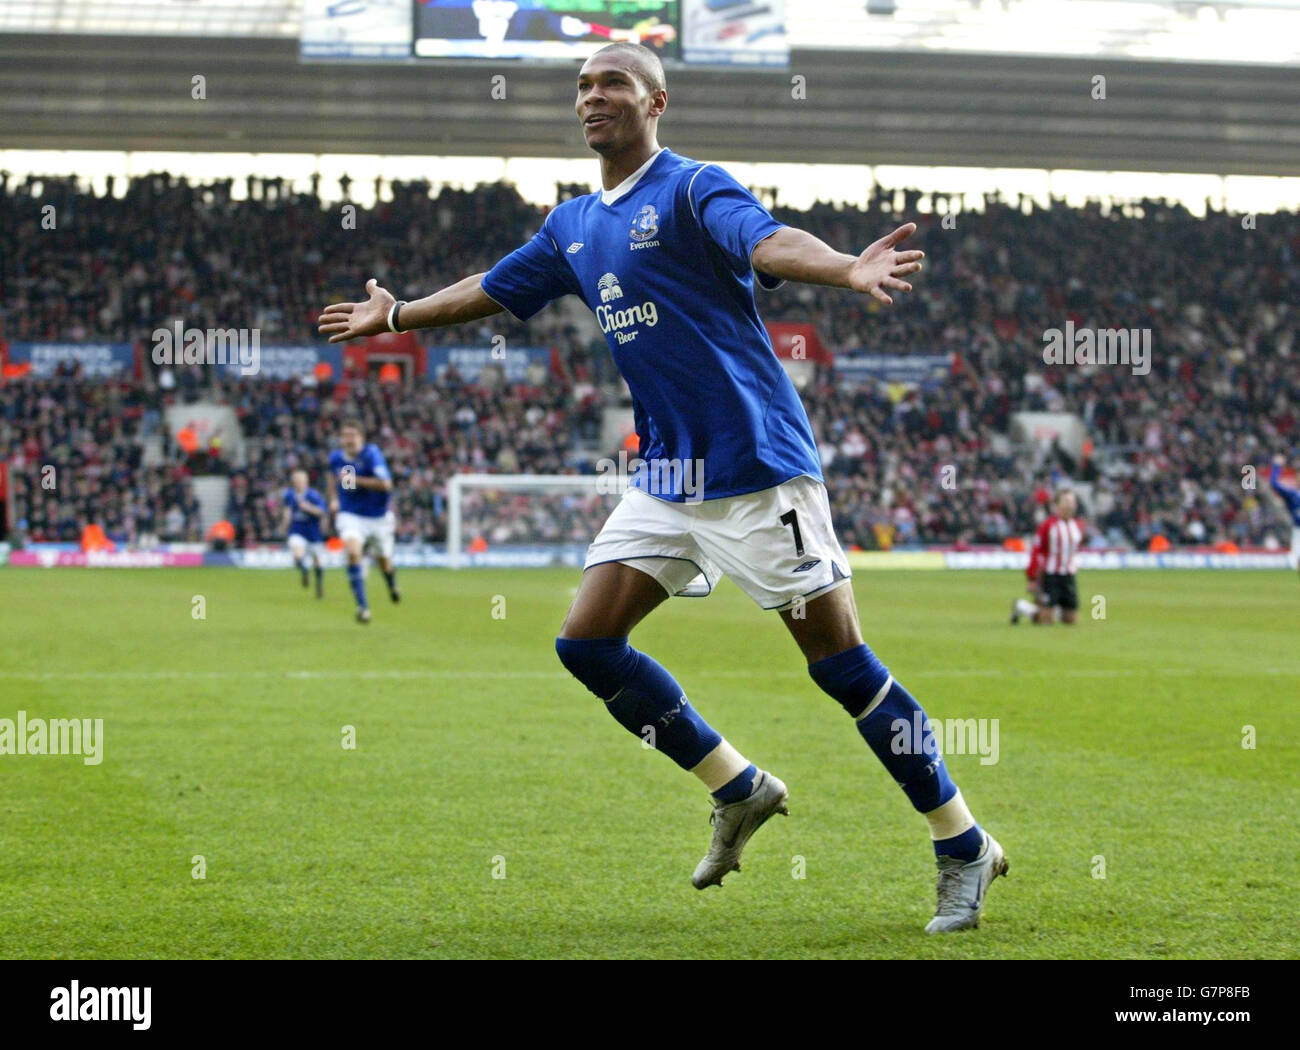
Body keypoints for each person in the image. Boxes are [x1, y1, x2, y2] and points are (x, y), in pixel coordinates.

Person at [318, 42, 1005, 932]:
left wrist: (845, 267)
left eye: (612, 83)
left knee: (842, 669)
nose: (591, 97)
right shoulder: (571, 225)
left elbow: (768, 241)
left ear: (656, 103)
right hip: (667, 478)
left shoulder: (690, 188)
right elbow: (493, 288)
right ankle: (739, 785)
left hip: (757, 467)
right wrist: (399, 313)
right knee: (588, 645)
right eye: (582, 86)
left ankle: (961, 843)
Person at [326, 420, 401, 624]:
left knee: (384, 560)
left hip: (378, 517)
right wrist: (333, 499)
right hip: (351, 514)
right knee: (352, 553)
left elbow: (386, 484)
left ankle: (392, 584)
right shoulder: (336, 458)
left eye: (352, 436)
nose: (348, 440)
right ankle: (363, 607)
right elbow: (333, 478)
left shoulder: (371, 455)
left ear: (361, 438)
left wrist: (356, 480)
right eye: (345, 436)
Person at [1031, 489, 1084, 625]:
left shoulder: (1077, 525)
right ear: (1057, 505)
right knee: (1046, 620)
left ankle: (1054, 607)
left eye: (1072, 501)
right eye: (1066, 501)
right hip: (1050, 574)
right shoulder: (1048, 525)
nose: (1070, 505)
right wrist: (1032, 577)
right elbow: (1037, 551)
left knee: (1071, 620)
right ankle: (1024, 608)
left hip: (1068, 575)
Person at [281, 468, 327, 598]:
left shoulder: (314, 495)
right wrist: (285, 524)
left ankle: (319, 585)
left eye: (301, 481)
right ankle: (305, 570)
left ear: (306, 482)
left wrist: (309, 508)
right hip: (297, 530)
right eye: (296, 481)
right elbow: (288, 510)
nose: (298, 483)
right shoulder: (289, 495)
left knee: (317, 561)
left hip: (313, 532)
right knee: (297, 556)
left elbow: (322, 512)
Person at [1270, 455, 1300, 574]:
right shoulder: (1293, 495)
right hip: (1298, 530)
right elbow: (1274, 484)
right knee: (1297, 559)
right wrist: (1277, 466)